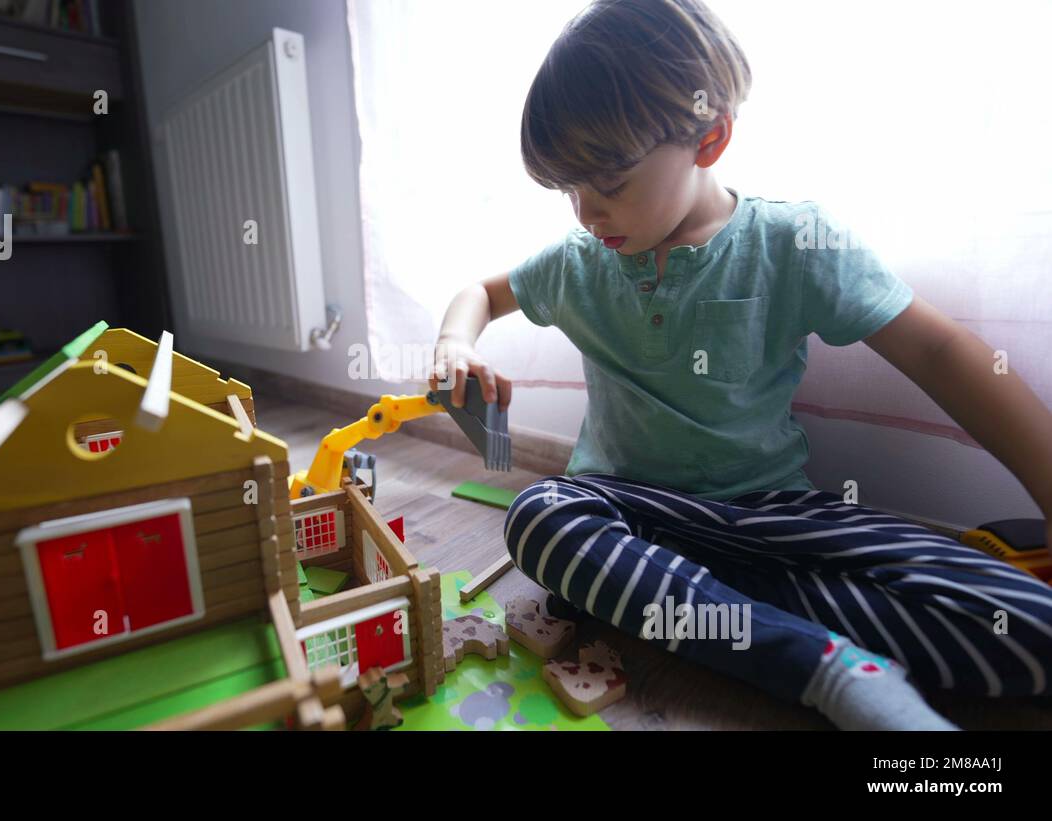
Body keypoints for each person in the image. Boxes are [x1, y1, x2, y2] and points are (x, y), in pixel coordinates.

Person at [429, 0, 1052, 730]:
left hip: (775, 519)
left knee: (1030, 621)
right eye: (569, 189)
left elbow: (939, 349)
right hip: (630, 518)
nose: (586, 215)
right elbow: (481, 291)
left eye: (610, 184)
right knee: (541, 513)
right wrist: (454, 341)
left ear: (710, 136)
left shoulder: (793, 241)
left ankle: (729, 613)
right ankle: (833, 670)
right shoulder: (579, 261)